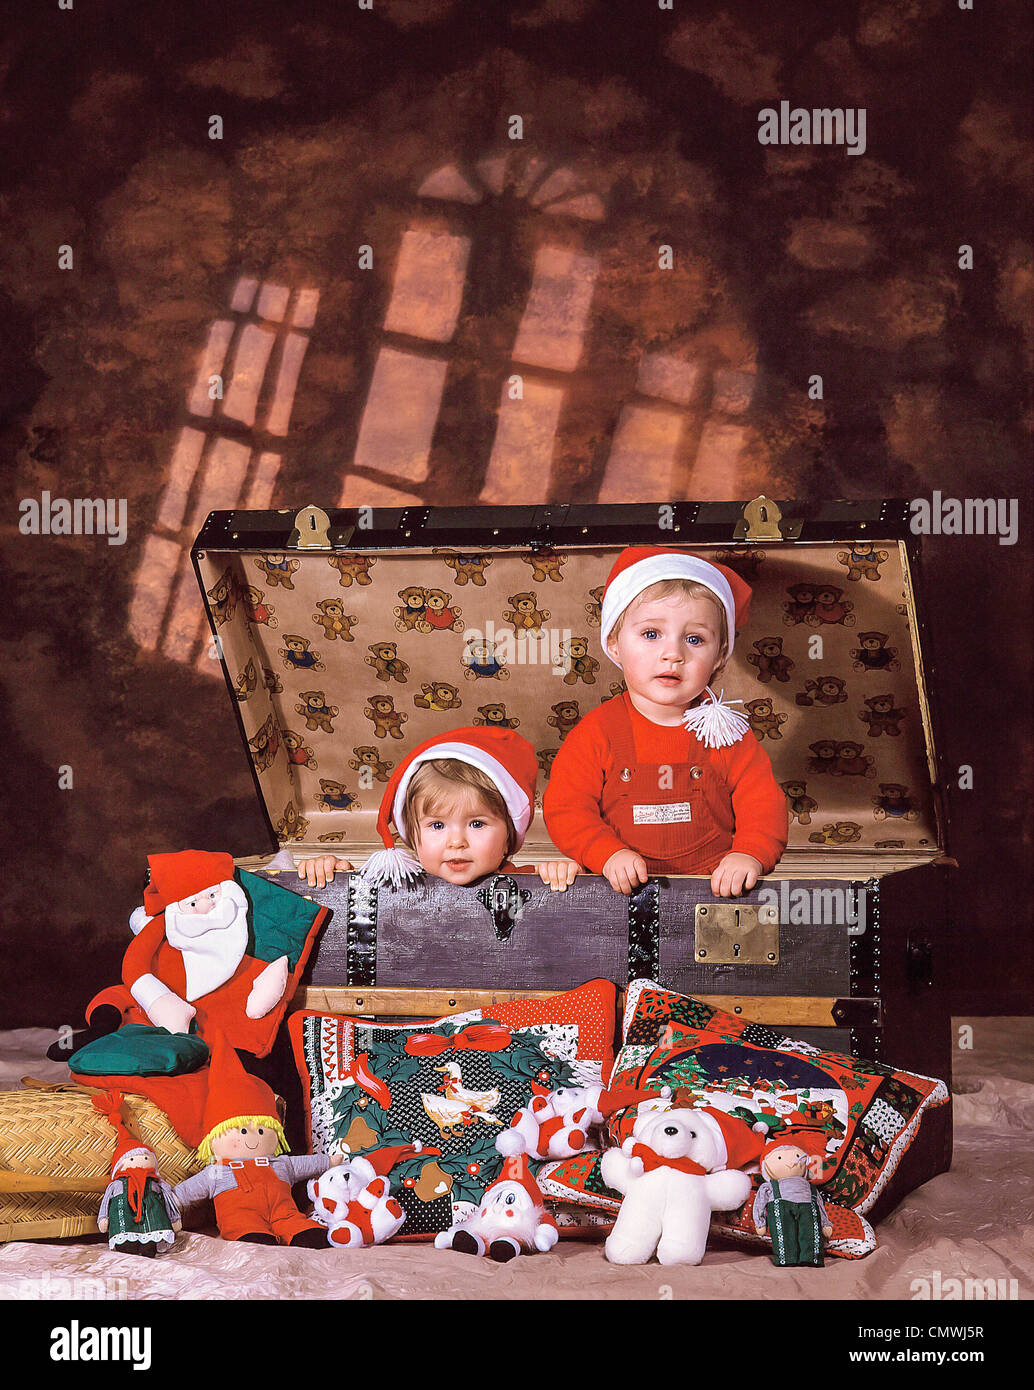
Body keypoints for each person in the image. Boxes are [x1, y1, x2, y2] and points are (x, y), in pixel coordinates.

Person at [543, 547, 787, 897]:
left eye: (694, 639)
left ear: (719, 656)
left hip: (712, 888)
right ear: (614, 643)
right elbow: (566, 809)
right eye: (651, 634)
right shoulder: (597, 733)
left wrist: (749, 855)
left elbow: (763, 805)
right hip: (611, 887)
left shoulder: (727, 734)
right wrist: (606, 853)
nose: (673, 654)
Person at [297, 726, 579, 891]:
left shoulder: (528, 882)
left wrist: (562, 874)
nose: (457, 842)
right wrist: (331, 871)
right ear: (411, 834)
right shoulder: (397, 884)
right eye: (437, 825)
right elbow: (350, 888)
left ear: (509, 837)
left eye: (477, 824)